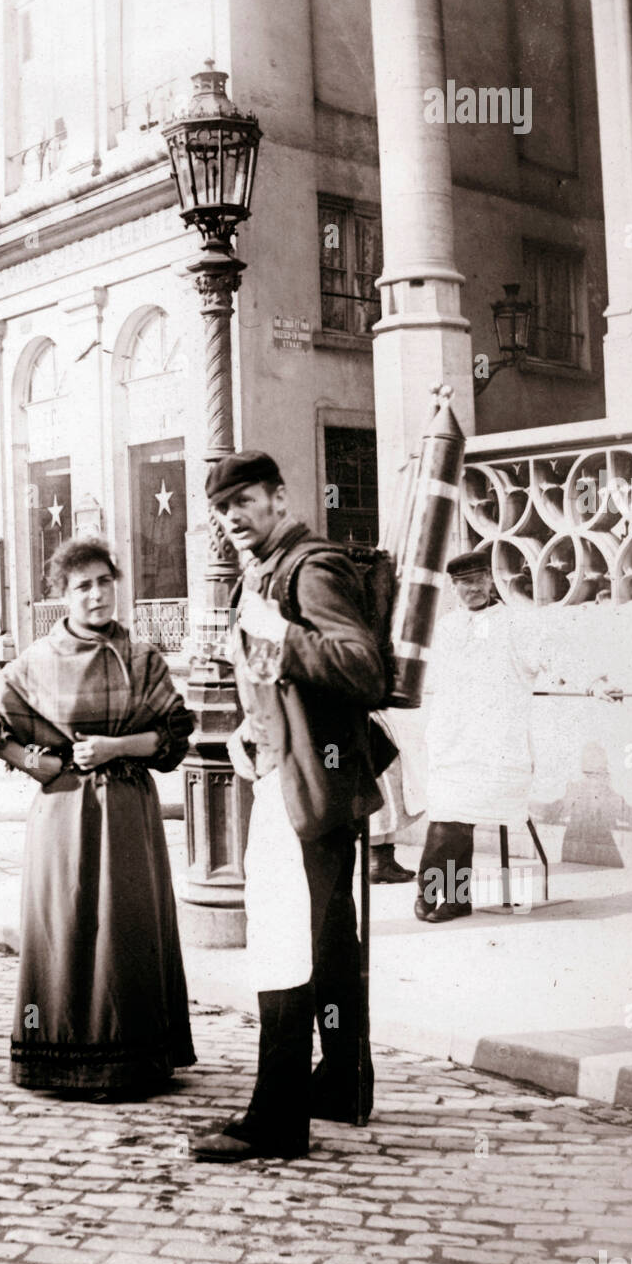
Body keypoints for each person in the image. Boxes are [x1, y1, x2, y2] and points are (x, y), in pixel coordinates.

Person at [190, 451, 387, 1163]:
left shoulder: (310, 567)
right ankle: (343, 1081)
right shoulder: (266, 571)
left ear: (279, 497)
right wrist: (250, 727)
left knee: (282, 943)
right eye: (223, 509)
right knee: (328, 940)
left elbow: (363, 667)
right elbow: (279, 683)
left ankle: (276, 1118)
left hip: (310, 787)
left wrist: (281, 633)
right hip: (299, 777)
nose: (233, 518)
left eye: (245, 500)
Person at [0, 536, 196, 1100]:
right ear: (63, 595)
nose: (97, 595)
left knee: (127, 928)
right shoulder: (37, 661)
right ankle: (62, 1061)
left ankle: (134, 1060)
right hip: (65, 814)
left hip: (129, 813)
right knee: (66, 925)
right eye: (83, 586)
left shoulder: (142, 659)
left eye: (105, 582)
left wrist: (118, 747)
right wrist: (33, 761)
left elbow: (174, 733)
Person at [415, 550, 619, 923]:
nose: (473, 589)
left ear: (490, 581)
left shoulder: (516, 623)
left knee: (452, 820)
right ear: (453, 587)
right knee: (449, 815)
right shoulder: (446, 627)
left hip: (496, 748)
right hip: (450, 744)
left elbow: (556, 655)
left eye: (479, 580)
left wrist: (594, 683)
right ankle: (451, 896)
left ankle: (433, 891)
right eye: (464, 583)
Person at [368, 709, 424, 883]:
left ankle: (387, 860)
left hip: (378, 723)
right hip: (367, 727)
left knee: (392, 796)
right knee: (381, 799)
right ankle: (377, 865)